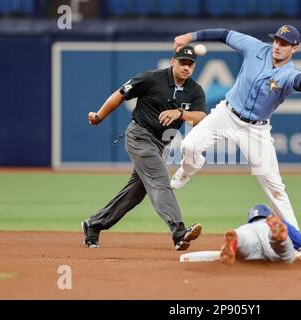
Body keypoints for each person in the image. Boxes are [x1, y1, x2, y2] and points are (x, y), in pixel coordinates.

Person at [170, 25, 301, 230]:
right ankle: (187, 171)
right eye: (276, 40)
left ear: (294, 48)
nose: (277, 46)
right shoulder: (255, 48)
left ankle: (297, 241)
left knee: (275, 188)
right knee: (188, 146)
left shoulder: (289, 74)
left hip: (256, 130)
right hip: (226, 114)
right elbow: (224, 35)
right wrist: (190, 35)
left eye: (284, 44)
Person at [81, 46, 207, 251]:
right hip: (139, 136)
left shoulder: (195, 90)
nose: (186, 67)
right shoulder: (151, 78)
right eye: (182, 62)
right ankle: (179, 231)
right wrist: (99, 116)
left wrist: (180, 114)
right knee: (160, 180)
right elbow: (120, 94)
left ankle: (93, 224)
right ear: (173, 61)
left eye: (190, 64)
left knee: (135, 193)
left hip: (161, 145)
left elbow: (200, 117)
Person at [219, 204, 301, 266]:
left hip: (251, 246)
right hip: (272, 241)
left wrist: (232, 249)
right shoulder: (280, 224)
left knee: (241, 239)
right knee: (285, 252)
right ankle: (278, 239)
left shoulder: (245, 227)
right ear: (270, 216)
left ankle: (233, 243)